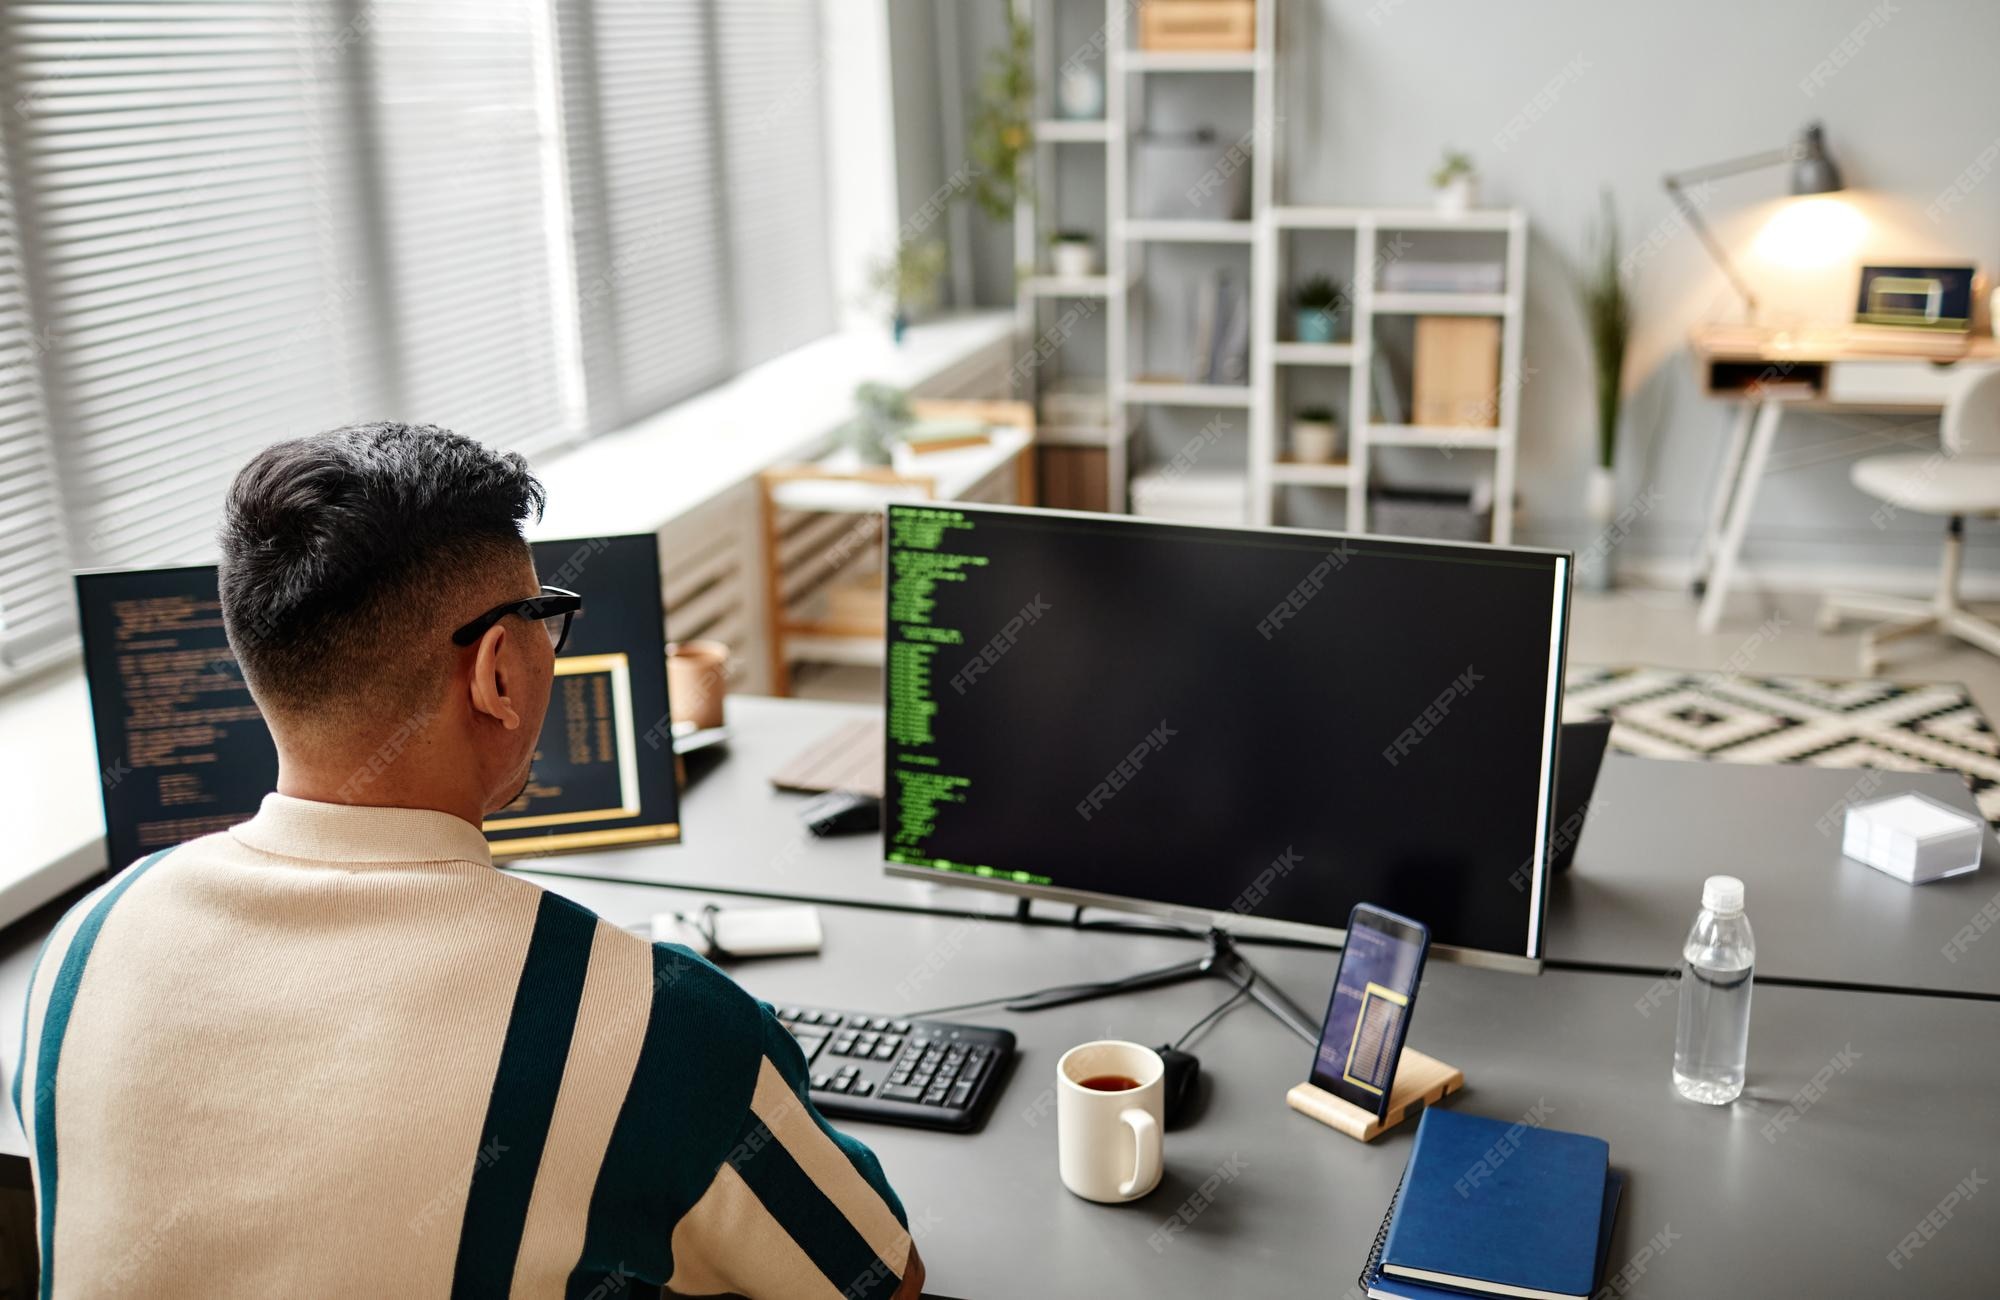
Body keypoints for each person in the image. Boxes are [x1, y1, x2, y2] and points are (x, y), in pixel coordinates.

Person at [16, 422, 923, 1298]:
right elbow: (877, 1277)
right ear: (496, 670)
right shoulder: (657, 1024)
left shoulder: (83, 947)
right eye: (544, 618)